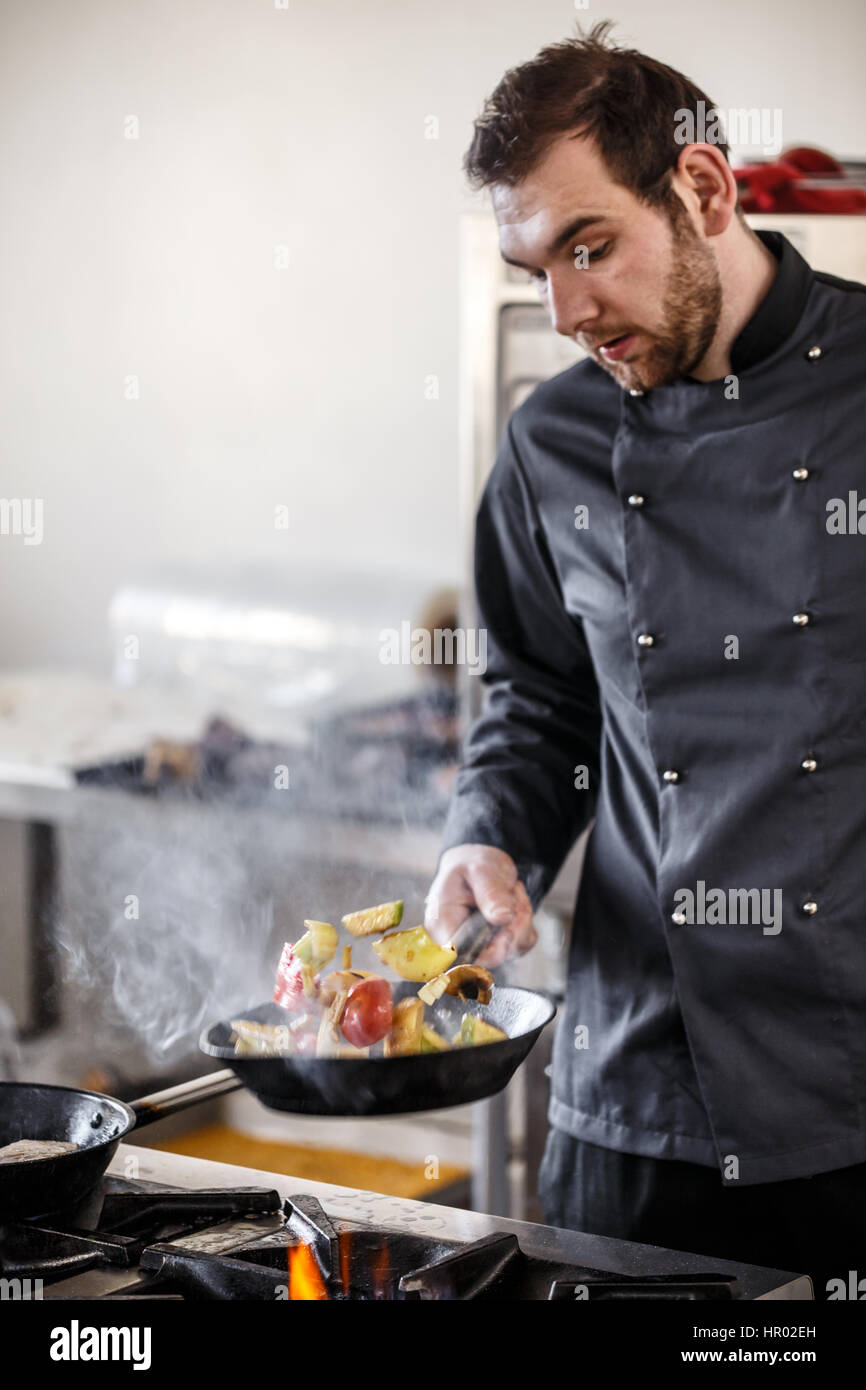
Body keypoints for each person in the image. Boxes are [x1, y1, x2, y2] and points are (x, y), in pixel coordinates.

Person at [424, 22, 866, 1299]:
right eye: (532, 267)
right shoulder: (550, 441)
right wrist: (484, 834)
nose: (563, 313)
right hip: (632, 1098)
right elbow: (538, 698)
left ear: (705, 188)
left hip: (846, 1087)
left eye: (588, 246)